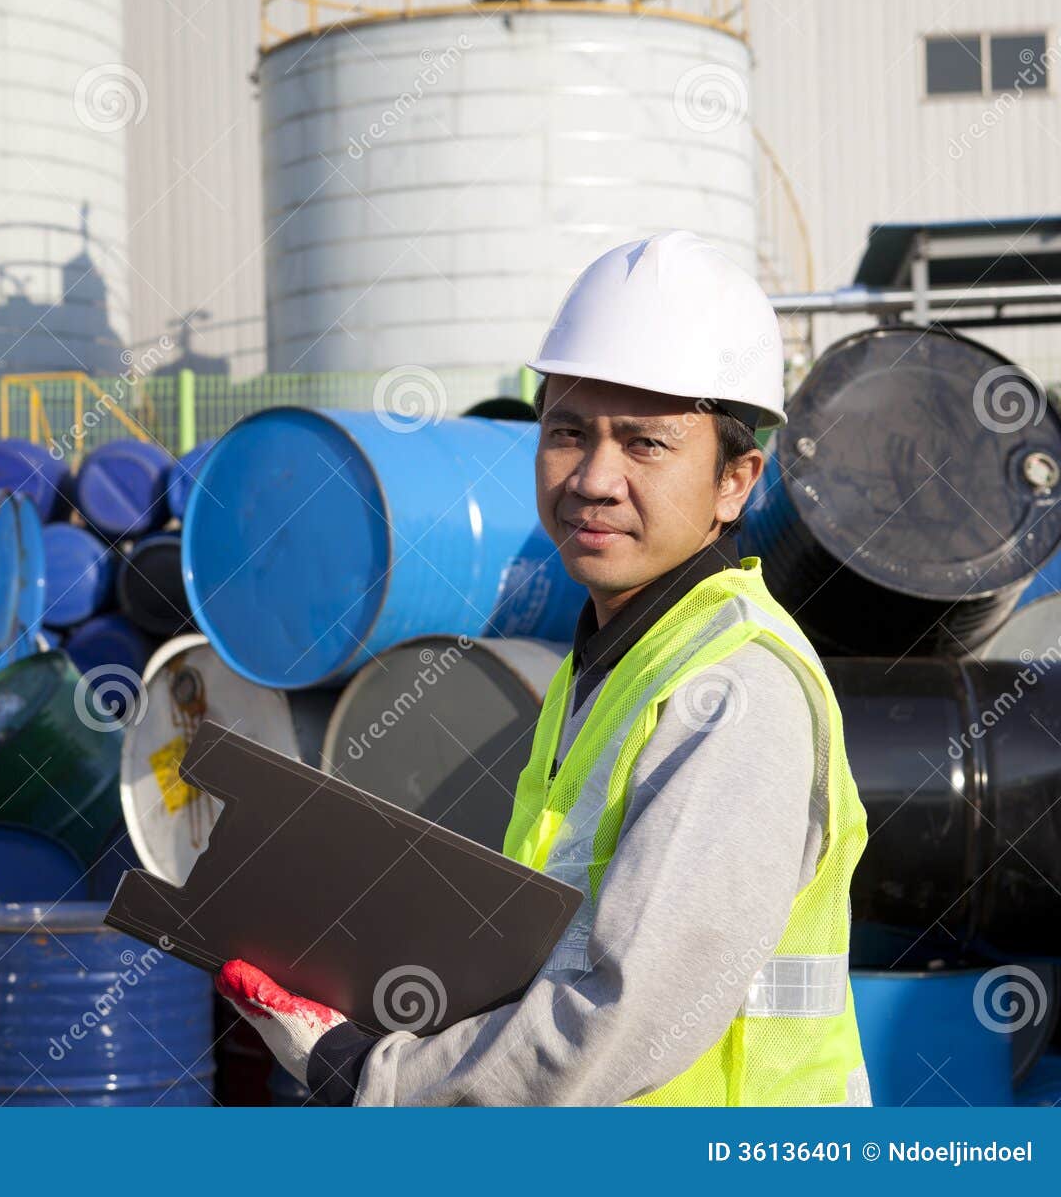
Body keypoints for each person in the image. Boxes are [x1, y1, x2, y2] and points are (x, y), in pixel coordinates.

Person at [216, 230, 871, 1106]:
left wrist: (376, 1077)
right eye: (568, 432)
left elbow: (620, 1016)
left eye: (645, 444)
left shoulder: (734, 690)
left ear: (735, 480)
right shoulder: (612, 655)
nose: (594, 478)